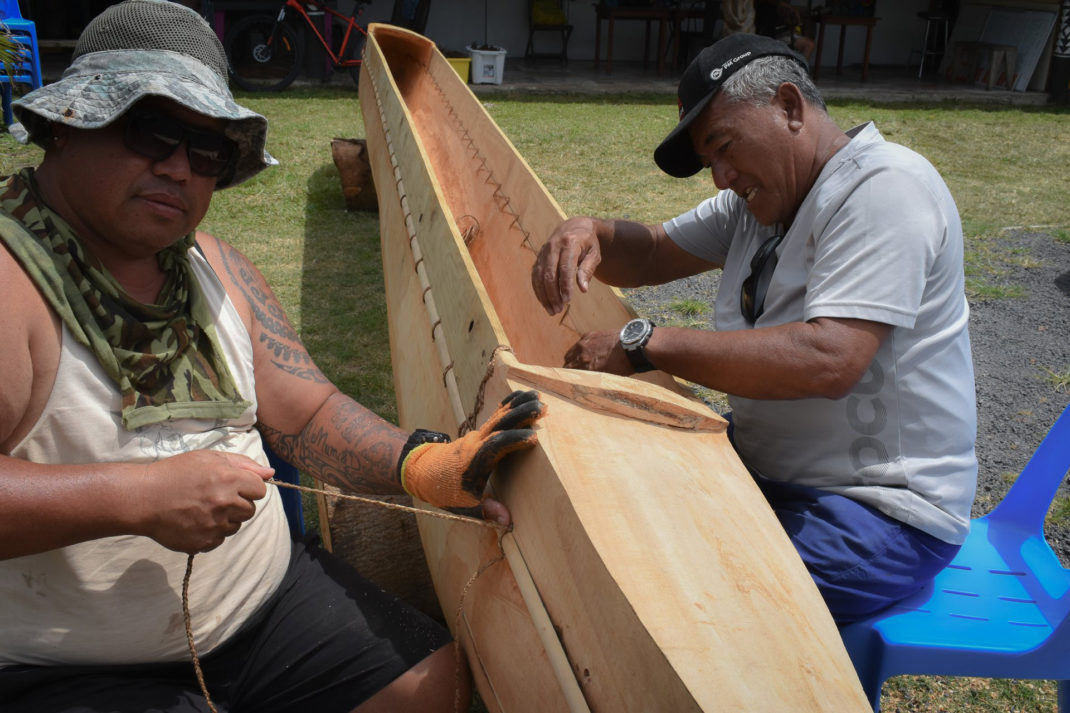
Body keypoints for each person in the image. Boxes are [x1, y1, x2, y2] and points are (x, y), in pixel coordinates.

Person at [0, 1, 545, 711]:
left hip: (262, 609)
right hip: (63, 664)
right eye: (152, 128)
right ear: (68, 124)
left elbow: (307, 411)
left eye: (208, 151)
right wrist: (137, 498)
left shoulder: (217, 268)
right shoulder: (14, 282)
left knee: (426, 683)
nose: (177, 167)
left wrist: (422, 464)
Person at [531, 33, 977, 625]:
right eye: (709, 160)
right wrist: (587, 231)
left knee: (669, 596)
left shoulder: (884, 188)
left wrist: (643, 344)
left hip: (876, 514)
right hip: (769, 476)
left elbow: (829, 359)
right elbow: (653, 252)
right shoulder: (758, 203)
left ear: (789, 107)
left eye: (723, 146)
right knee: (612, 515)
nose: (719, 176)